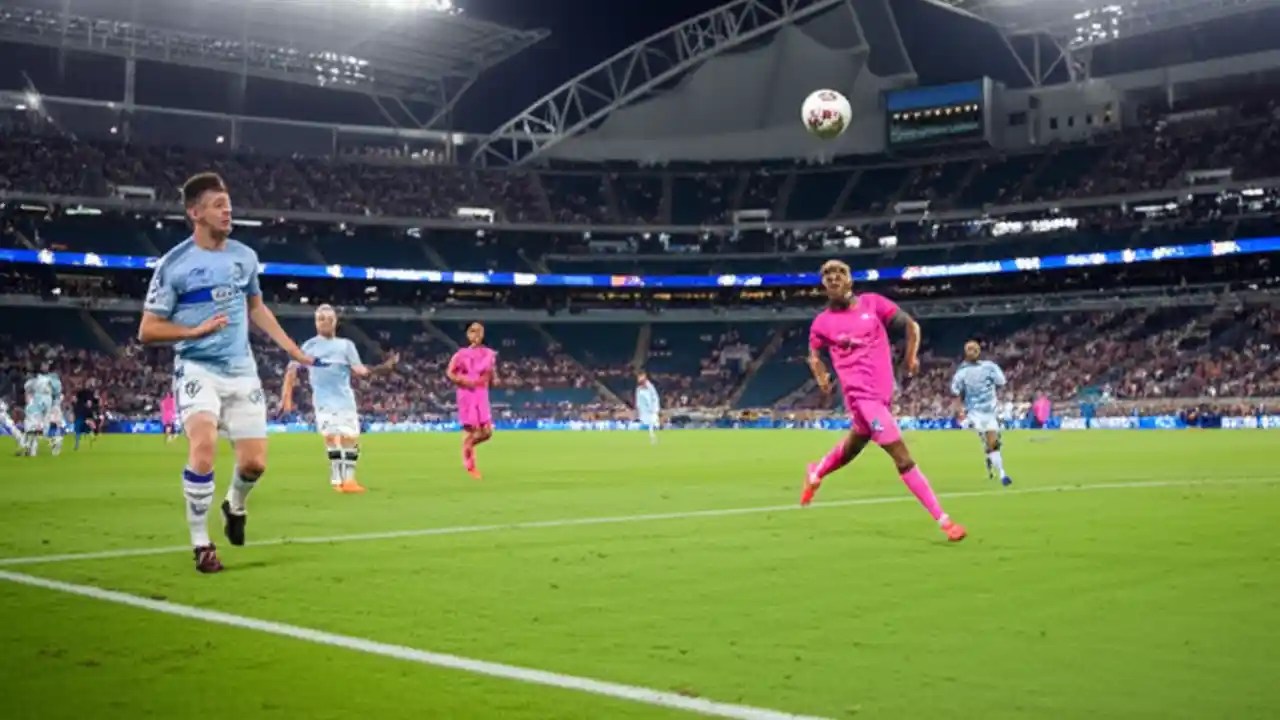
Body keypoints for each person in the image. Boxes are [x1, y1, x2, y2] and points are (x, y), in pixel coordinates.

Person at [138, 172, 313, 574]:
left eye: (228, 203)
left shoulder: (244, 257)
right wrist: (192, 331)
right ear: (195, 212)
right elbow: (148, 329)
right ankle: (201, 542)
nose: (227, 210)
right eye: (218, 205)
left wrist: (290, 347)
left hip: (242, 371)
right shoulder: (174, 265)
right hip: (198, 367)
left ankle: (235, 504)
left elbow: (256, 307)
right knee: (203, 444)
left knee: (255, 464)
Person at [801, 259, 966, 542]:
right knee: (902, 457)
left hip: (882, 395)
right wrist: (820, 374)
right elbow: (813, 355)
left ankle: (816, 473)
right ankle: (944, 521)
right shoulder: (821, 323)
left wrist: (911, 356)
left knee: (852, 448)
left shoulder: (872, 304)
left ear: (850, 280)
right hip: (862, 399)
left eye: (840, 272)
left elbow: (911, 326)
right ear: (823, 284)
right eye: (827, 274)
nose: (833, 277)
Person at [281, 304, 398, 493]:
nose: (325, 322)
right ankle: (337, 479)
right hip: (322, 399)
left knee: (349, 437)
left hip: (344, 399)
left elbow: (360, 371)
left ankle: (350, 480)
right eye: (321, 318)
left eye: (329, 318)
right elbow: (292, 369)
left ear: (335, 321)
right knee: (330, 435)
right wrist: (286, 397)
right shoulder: (309, 345)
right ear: (316, 322)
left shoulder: (346, 345)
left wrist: (383, 368)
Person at [951, 340, 1012, 486]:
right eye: (969, 349)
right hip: (974, 414)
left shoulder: (989, 367)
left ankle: (999, 471)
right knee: (990, 441)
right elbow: (956, 393)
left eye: (974, 349)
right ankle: (1001, 473)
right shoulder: (961, 373)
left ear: (979, 351)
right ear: (966, 352)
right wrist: (959, 412)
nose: (972, 352)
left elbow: (1001, 382)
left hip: (990, 412)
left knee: (992, 443)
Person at [447, 322, 497, 479]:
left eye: (479, 331)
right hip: (467, 394)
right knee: (471, 429)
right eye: (473, 331)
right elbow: (450, 372)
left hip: (482, 393)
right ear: (468, 334)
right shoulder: (460, 355)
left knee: (487, 432)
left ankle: (468, 445)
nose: (476, 335)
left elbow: (492, 375)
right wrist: (461, 380)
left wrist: (493, 379)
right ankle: (470, 466)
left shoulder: (488, 354)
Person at [635, 370, 661, 444]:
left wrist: (655, 407)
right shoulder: (639, 389)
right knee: (648, 423)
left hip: (652, 408)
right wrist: (638, 408)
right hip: (644, 409)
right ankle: (651, 437)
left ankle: (654, 437)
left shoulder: (650, 386)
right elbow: (638, 399)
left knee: (653, 423)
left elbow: (655, 397)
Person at [73, 385, 101, 450]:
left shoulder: (78, 405)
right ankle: (78, 443)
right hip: (81, 419)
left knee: (79, 431)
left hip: (80, 419)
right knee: (83, 430)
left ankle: (77, 444)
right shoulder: (82, 406)